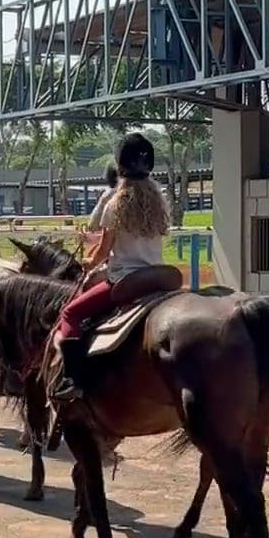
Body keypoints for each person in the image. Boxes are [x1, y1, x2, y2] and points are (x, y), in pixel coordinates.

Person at [51, 134, 170, 403]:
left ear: (120, 166)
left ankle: (73, 379)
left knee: (70, 312)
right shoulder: (158, 202)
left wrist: (88, 263)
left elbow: (104, 252)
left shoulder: (115, 203)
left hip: (124, 279)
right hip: (157, 277)